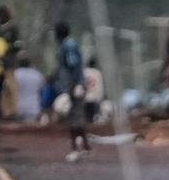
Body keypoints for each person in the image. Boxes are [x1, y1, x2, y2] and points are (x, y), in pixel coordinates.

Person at [53, 22, 89, 156]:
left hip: (73, 86)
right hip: (73, 84)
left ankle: (76, 148)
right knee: (76, 116)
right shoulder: (68, 45)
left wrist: (73, 87)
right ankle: (84, 146)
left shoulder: (68, 46)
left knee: (74, 116)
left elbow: (73, 65)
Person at [12, 57, 47, 124]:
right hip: (34, 107)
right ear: (29, 63)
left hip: (18, 108)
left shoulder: (15, 74)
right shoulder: (37, 74)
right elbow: (43, 91)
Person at [81, 58, 105, 125]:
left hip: (85, 96)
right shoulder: (97, 72)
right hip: (94, 97)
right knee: (93, 117)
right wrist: (100, 97)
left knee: (87, 117)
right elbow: (99, 86)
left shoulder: (84, 71)